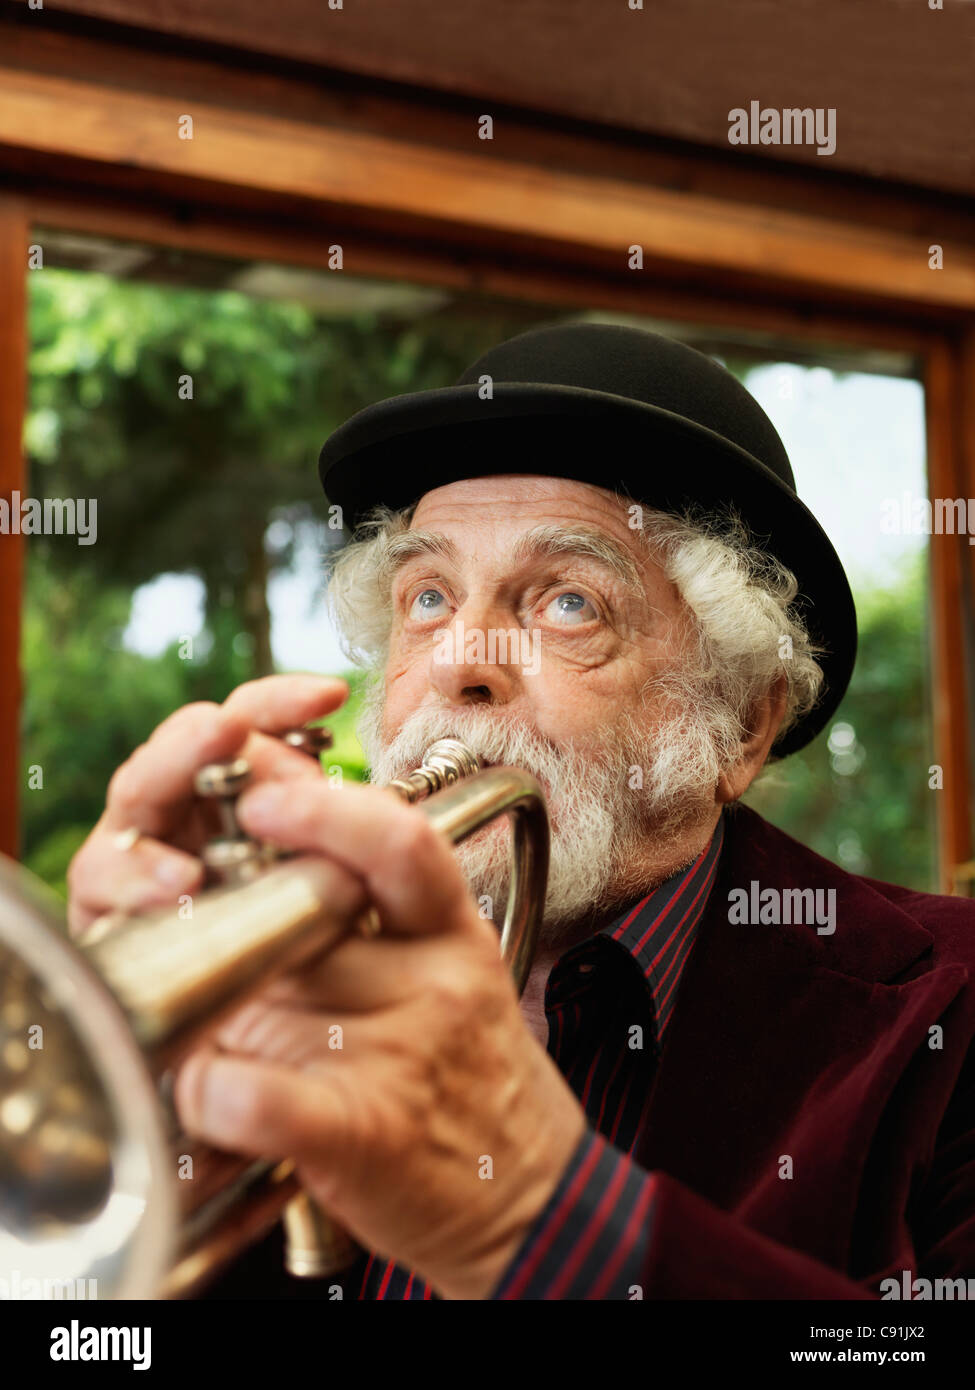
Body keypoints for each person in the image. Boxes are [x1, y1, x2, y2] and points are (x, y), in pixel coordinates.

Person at [67, 323, 975, 1300]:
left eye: (568, 603)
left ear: (742, 723)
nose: (460, 659)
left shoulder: (952, 1011)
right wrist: (131, 1123)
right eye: (427, 597)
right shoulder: (307, 990)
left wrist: (537, 1220)